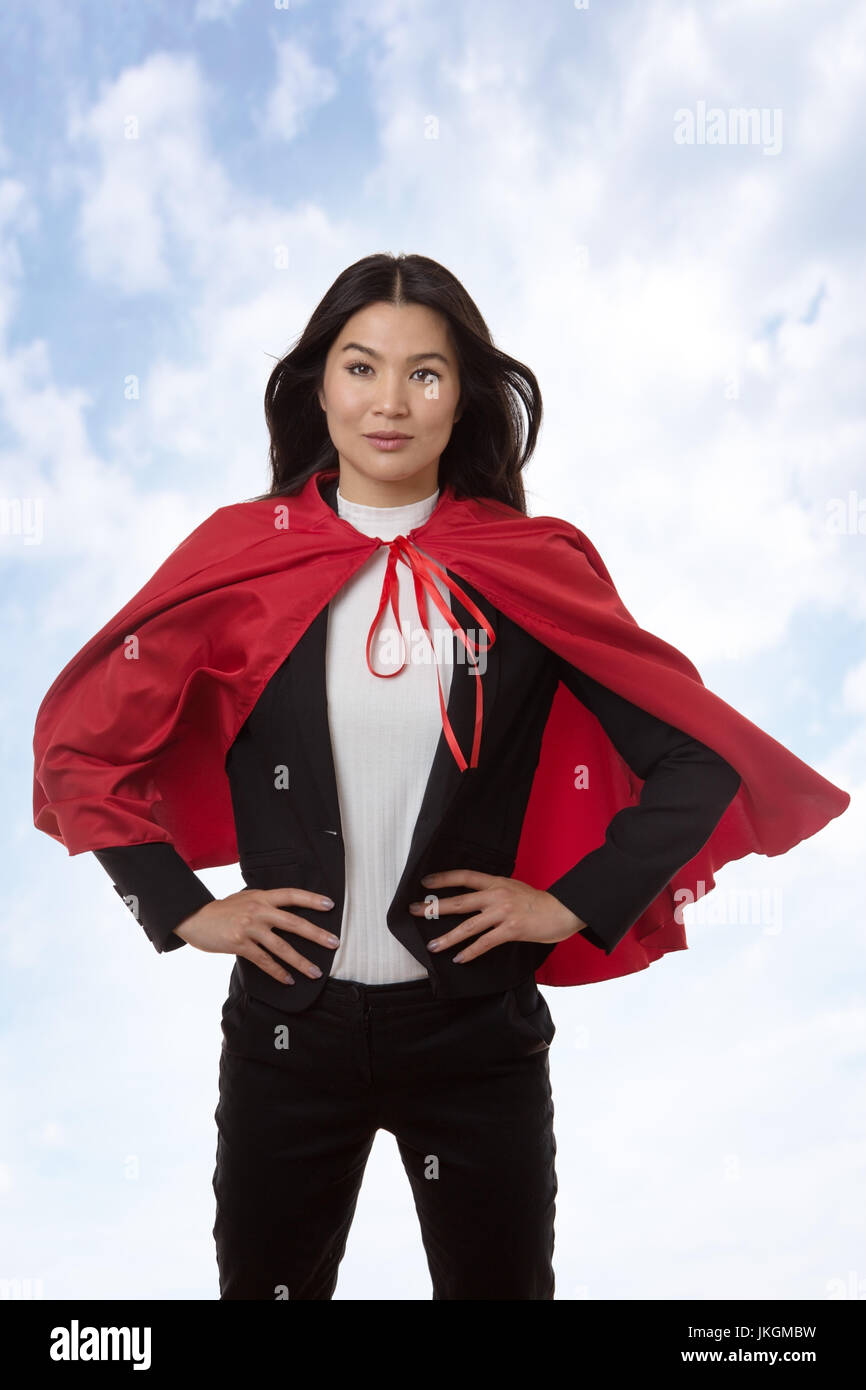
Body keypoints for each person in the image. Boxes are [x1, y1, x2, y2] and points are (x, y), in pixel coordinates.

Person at [41, 252, 765, 1299]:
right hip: (285, 1036)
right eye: (359, 367)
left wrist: (567, 902)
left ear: (462, 393)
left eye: (424, 373)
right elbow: (79, 739)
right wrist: (181, 906)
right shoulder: (244, 554)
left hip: (475, 1037)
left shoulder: (528, 565)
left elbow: (697, 758)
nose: (389, 402)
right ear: (316, 385)